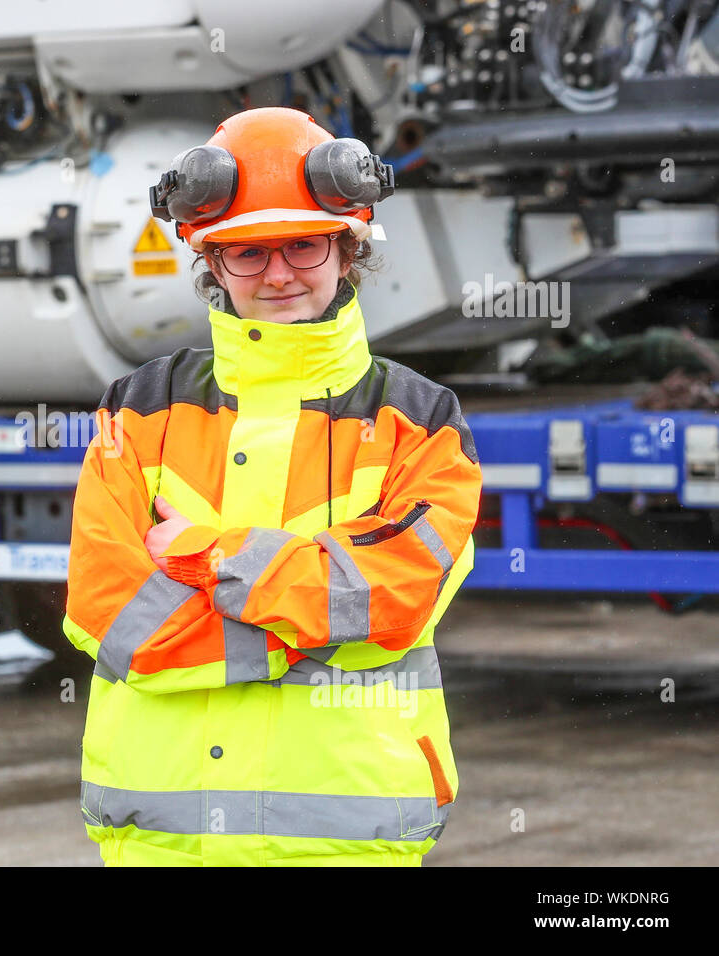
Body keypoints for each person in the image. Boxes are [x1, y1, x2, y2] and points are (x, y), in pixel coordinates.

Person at [62, 107, 484, 866]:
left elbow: (395, 596)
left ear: (348, 248)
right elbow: (110, 615)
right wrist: (302, 626)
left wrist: (205, 557)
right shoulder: (138, 406)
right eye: (248, 253)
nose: (279, 273)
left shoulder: (422, 420)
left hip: (342, 842)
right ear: (210, 262)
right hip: (164, 839)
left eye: (302, 244)